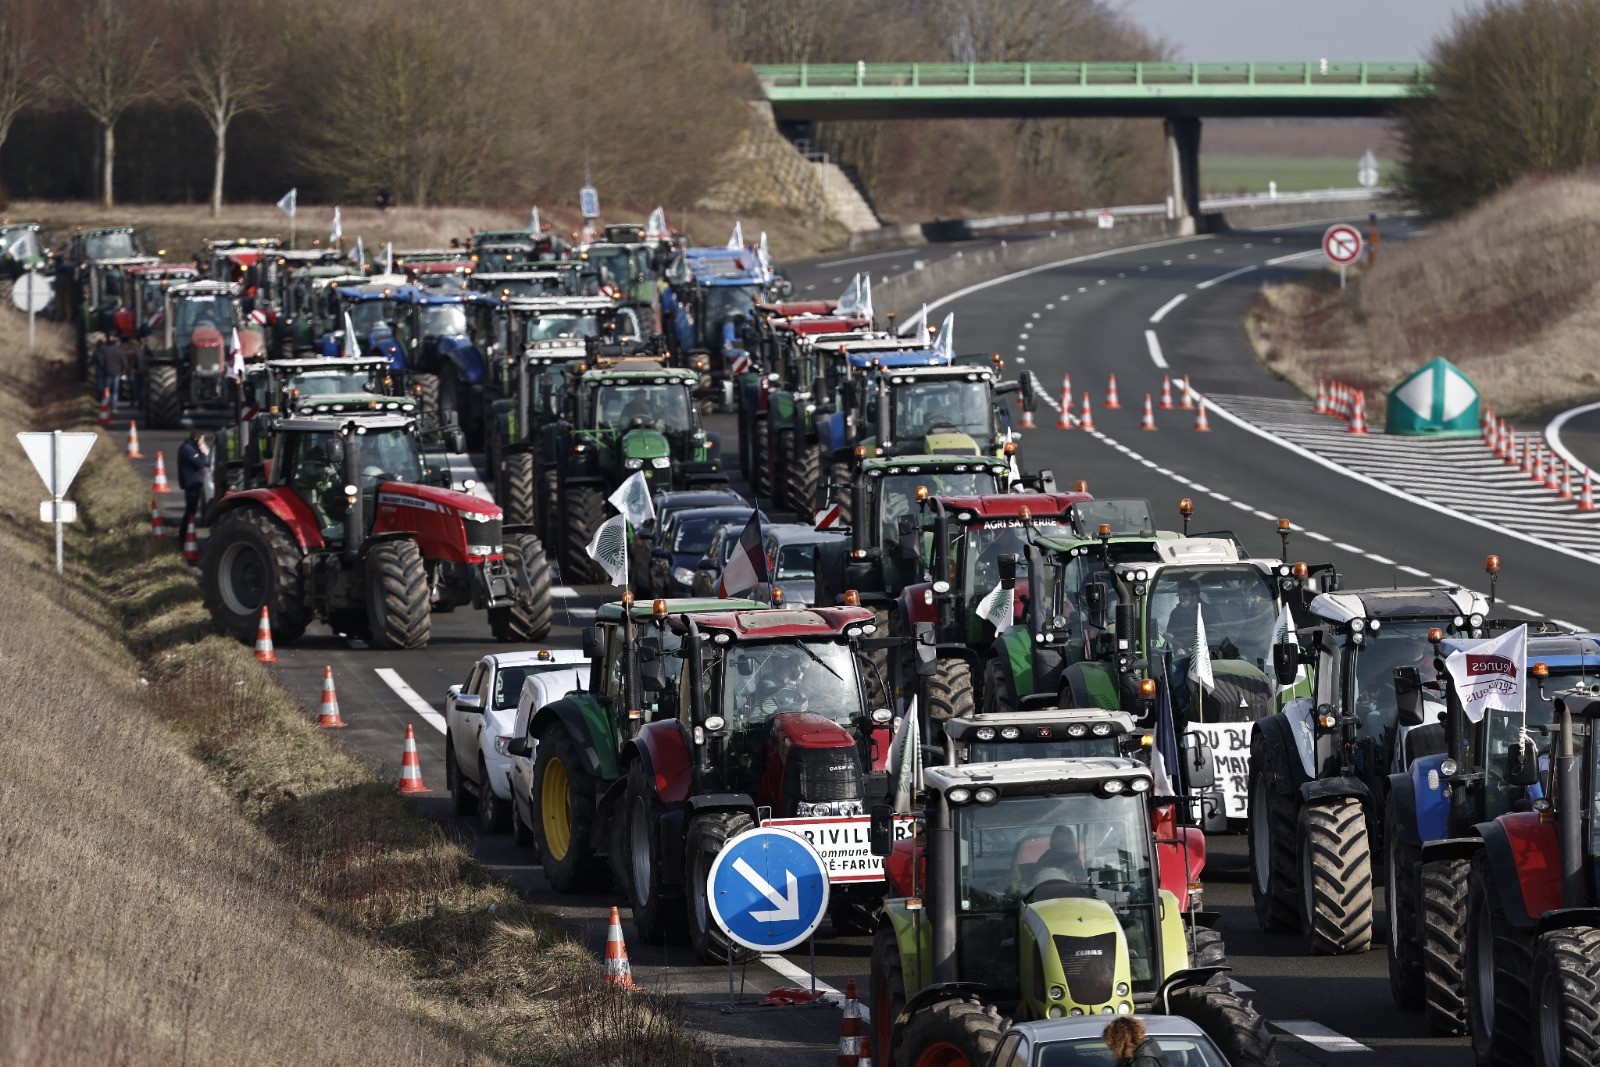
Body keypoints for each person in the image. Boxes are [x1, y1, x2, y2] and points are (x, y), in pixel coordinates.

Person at [177, 430, 208, 535]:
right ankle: (184, 536)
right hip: (191, 483)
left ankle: (187, 535)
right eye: (202, 440)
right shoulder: (188, 449)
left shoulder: (189, 447)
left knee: (192, 511)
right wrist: (203, 452)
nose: (203, 443)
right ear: (197, 439)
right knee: (190, 512)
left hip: (193, 482)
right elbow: (200, 463)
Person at [1103, 1017, 1169, 1067]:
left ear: (1119, 1042)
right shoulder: (1137, 1056)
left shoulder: (1143, 1062)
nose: (1111, 1049)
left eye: (1111, 1044)